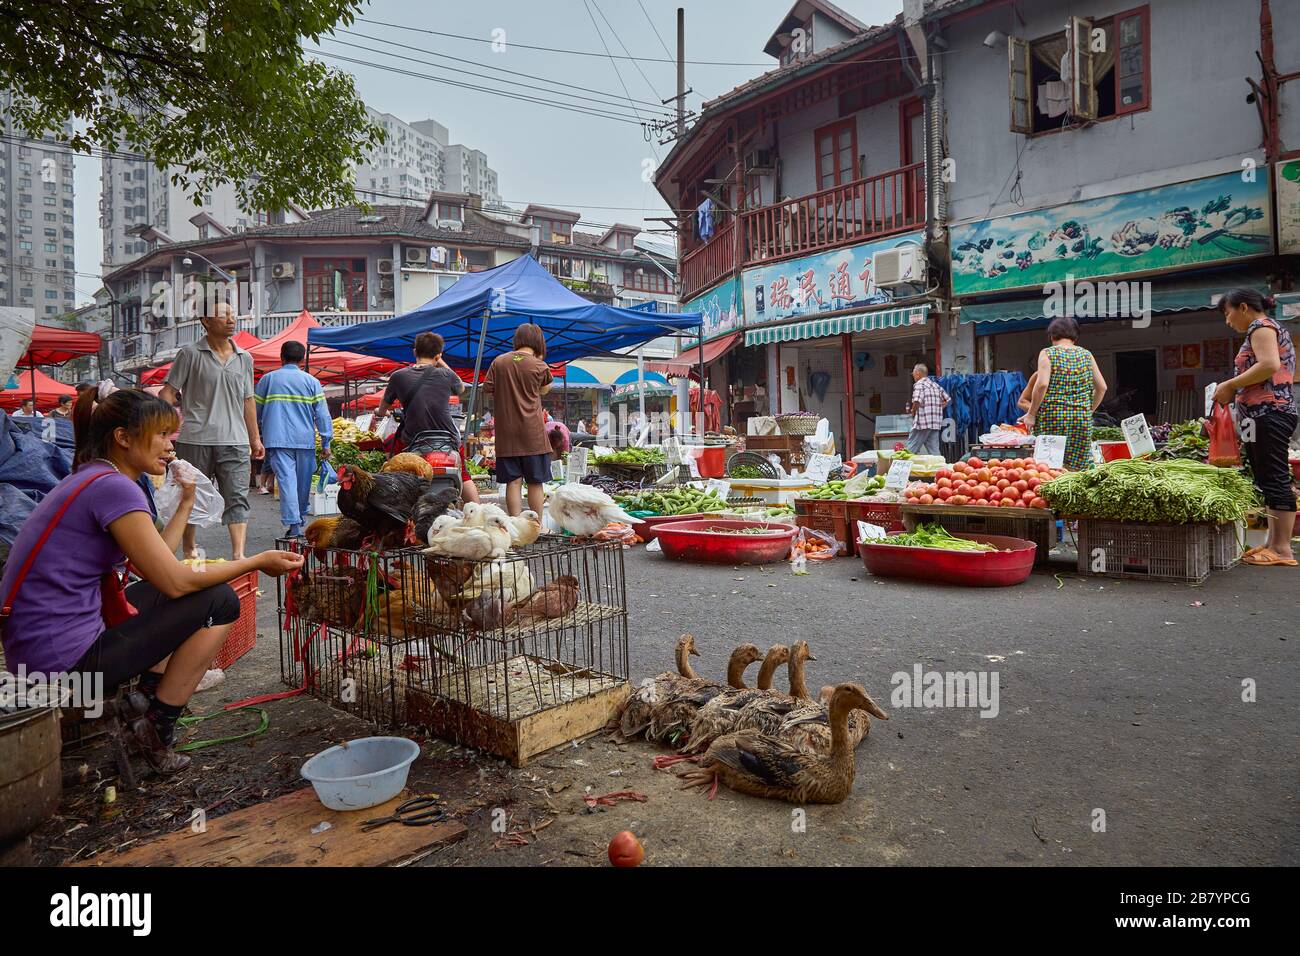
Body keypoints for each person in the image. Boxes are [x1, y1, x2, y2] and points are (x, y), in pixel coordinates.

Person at [0, 388, 302, 772]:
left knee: (187, 594)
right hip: (63, 666)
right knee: (221, 601)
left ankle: (141, 706)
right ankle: (158, 725)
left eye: (169, 434)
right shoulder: (114, 487)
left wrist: (187, 501)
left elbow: (153, 566)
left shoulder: (94, 477)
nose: (168, 444)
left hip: (35, 654)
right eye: (160, 434)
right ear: (123, 438)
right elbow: (175, 582)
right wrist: (255, 561)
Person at [159, 301, 262, 559]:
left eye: (232, 314)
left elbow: (248, 400)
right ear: (205, 321)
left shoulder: (244, 357)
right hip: (195, 439)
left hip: (235, 441)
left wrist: (255, 439)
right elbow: (168, 392)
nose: (231, 319)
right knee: (188, 494)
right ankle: (189, 547)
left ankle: (238, 555)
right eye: (223, 315)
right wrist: (159, 429)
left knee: (237, 496)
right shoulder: (190, 354)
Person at [1214, 288, 1296, 566]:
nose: (1227, 321)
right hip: (1260, 415)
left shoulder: (1261, 326)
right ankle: (1273, 545)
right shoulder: (1262, 329)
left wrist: (1230, 385)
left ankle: (1283, 549)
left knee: (1274, 477)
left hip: (1270, 412)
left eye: (1228, 313)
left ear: (1244, 307)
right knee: (1267, 478)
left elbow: (1270, 364)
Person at [373, 331, 479, 504]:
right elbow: (460, 388)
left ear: (414, 352)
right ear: (438, 355)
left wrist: (380, 412)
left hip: (415, 440)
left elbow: (383, 408)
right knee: (465, 475)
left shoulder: (398, 377)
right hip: (448, 438)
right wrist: (440, 361)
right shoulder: (446, 375)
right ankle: (477, 515)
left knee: (397, 468)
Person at [255, 340, 333, 538]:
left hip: (277, 440)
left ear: (281, 357)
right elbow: (323, 415)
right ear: (302, 358)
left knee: (287, 481)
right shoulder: (311, 382)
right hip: (304, 440)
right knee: (303, 483)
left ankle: (295, 524)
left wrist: (254, 437)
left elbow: (255, 411)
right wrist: (326, 442)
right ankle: (298, 520)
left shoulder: (267, 380)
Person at [484, 324, 554, 516]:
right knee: (534, 481)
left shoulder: (498, 362)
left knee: (513, 482)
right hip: (533, 434)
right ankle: (537, 526)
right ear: (538, 341)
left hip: (507, 435)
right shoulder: (539, 365)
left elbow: (487, 388)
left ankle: (515, 527)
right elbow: (546, 388)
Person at [1023, 317, 1107, 472]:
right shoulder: (1086, 355)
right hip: (1080, 420)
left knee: (1050, 469)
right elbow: (1102, 387)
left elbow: (1042, 384)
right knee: (1078, 470)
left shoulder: (1048, 353)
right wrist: (1088, 411)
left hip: (1052, 419)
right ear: (1075, 336)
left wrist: (1032, 413)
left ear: (1051, 336)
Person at [905, 363, 950, 455]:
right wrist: (938, 408)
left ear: (917, 374)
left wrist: (913, 413)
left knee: (911, 449)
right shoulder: (935, 385)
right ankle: (940, 468)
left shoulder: (919, 384)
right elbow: (948, 400)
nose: (913, 376)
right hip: (935, 423)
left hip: (922, 423)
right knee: (934, 451)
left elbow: (916, 401)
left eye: (913, 373)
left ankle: (904, 468)